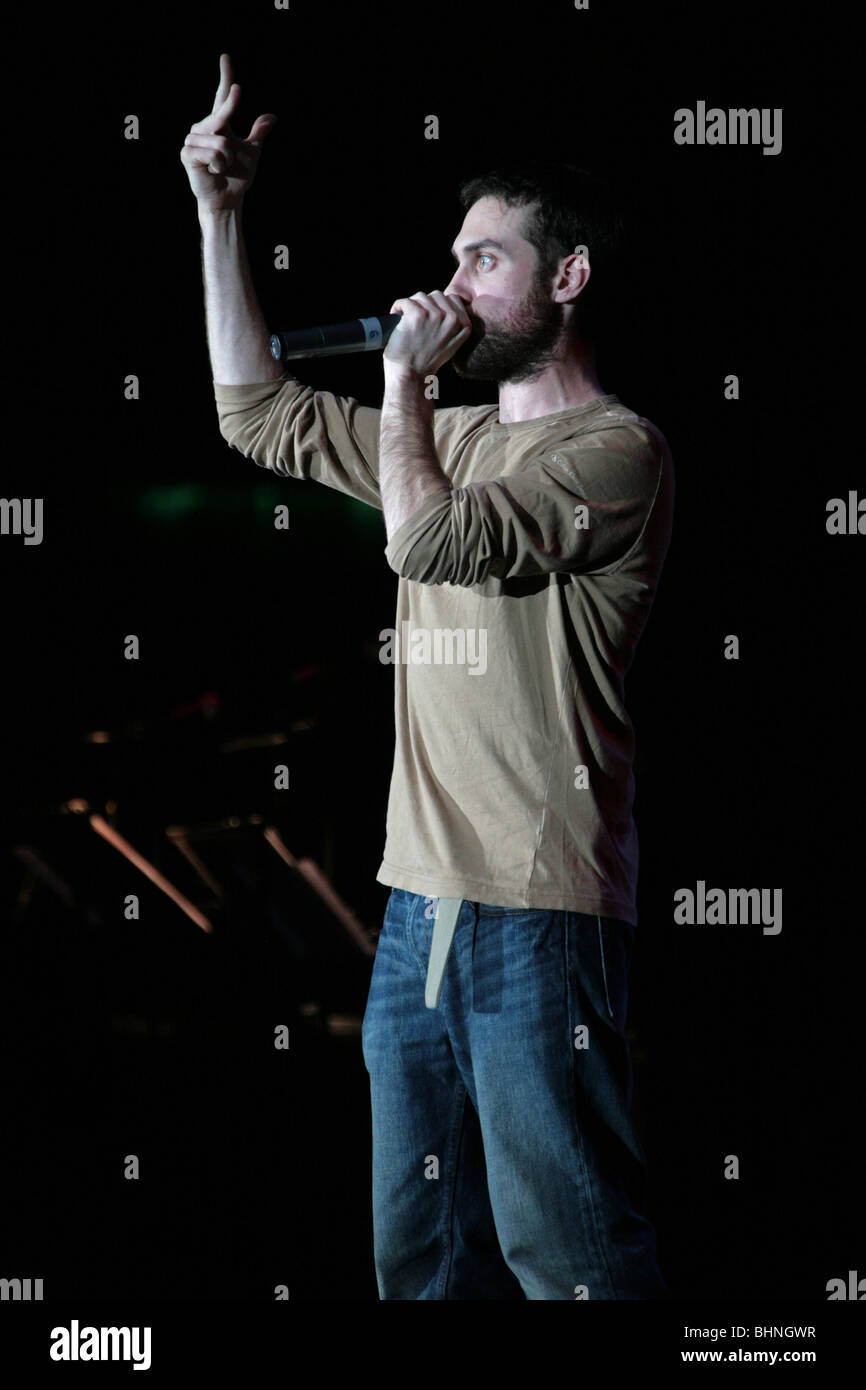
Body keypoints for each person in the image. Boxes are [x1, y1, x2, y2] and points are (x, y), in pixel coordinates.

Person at [182, 54, 674, 1301]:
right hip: (416, 910)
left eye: (482, 260)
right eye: (451, 257)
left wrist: (400, 377)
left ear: (565, 279)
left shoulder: (616, 452)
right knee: (418, 1260)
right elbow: (253, 413)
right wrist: (221, 211)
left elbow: (429, 540)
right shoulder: (447, 437)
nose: (446, 283)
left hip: (538, 907)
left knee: (566, 1255)